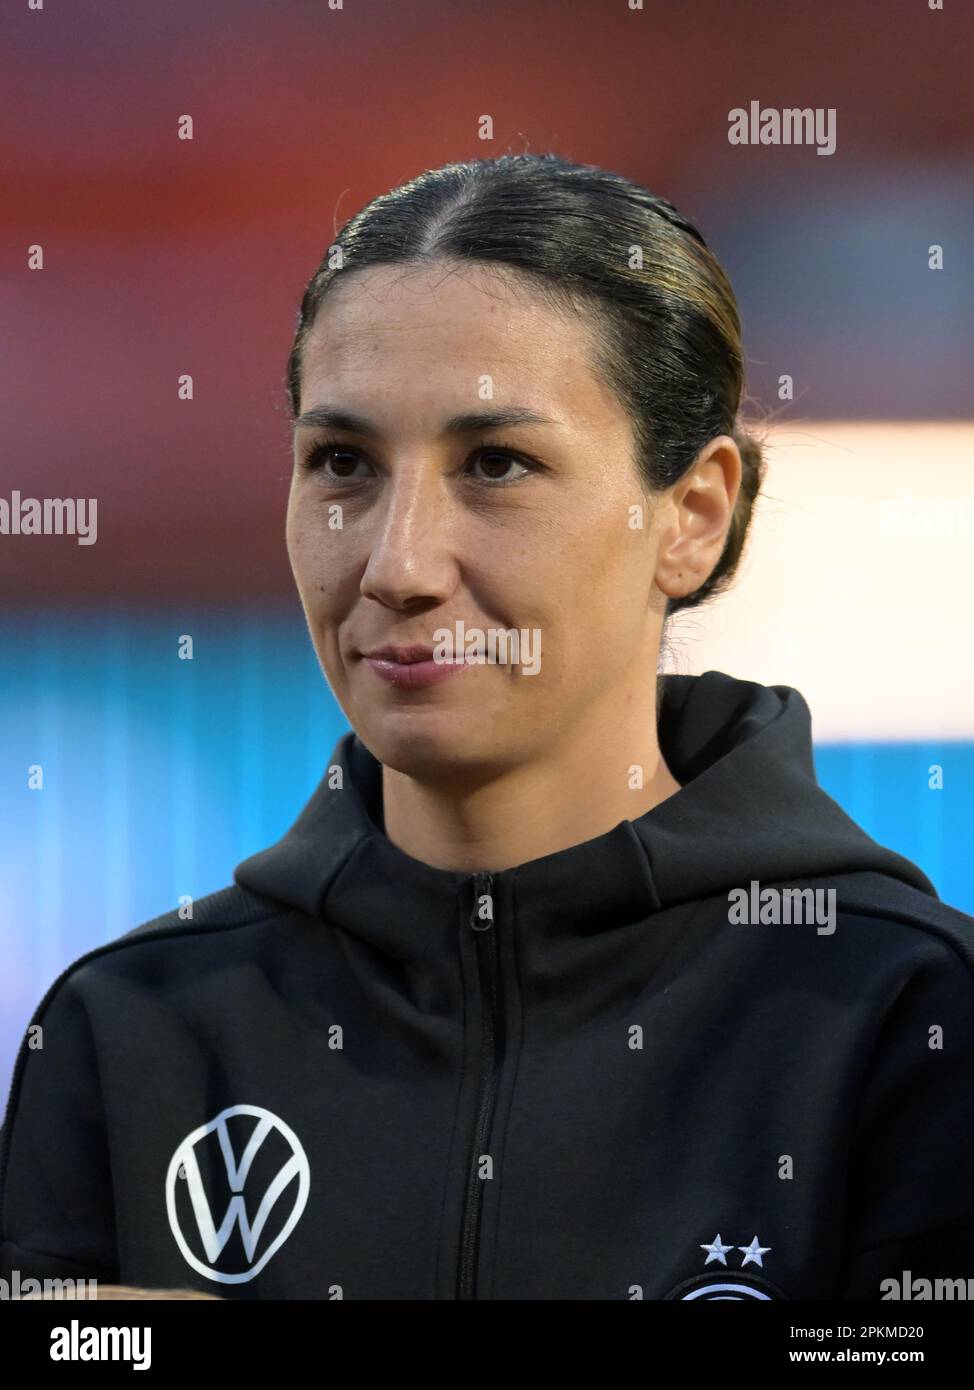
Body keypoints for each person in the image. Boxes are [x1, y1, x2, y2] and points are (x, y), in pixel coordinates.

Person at [2, 153, 973, 1301]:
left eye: (497, 463)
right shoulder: (129, 1029)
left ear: (693, 516)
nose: (397, 564)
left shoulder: (906, 1016)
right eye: (343, 464)